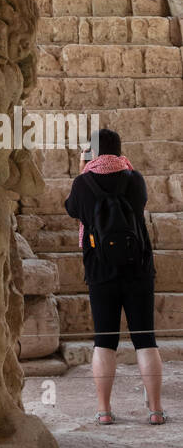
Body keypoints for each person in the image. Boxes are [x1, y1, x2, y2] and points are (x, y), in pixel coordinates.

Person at [65, 128, 165, 425]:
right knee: (146, 340)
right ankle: (156, 411)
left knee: (104, 341)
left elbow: (73, 209)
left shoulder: (83, 183)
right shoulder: (135, 179)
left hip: (100, 271)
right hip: (138, 269)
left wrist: (83, 169)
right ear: (119, 150)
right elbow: (140, 205)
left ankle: (105, 411)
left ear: (92, 152)